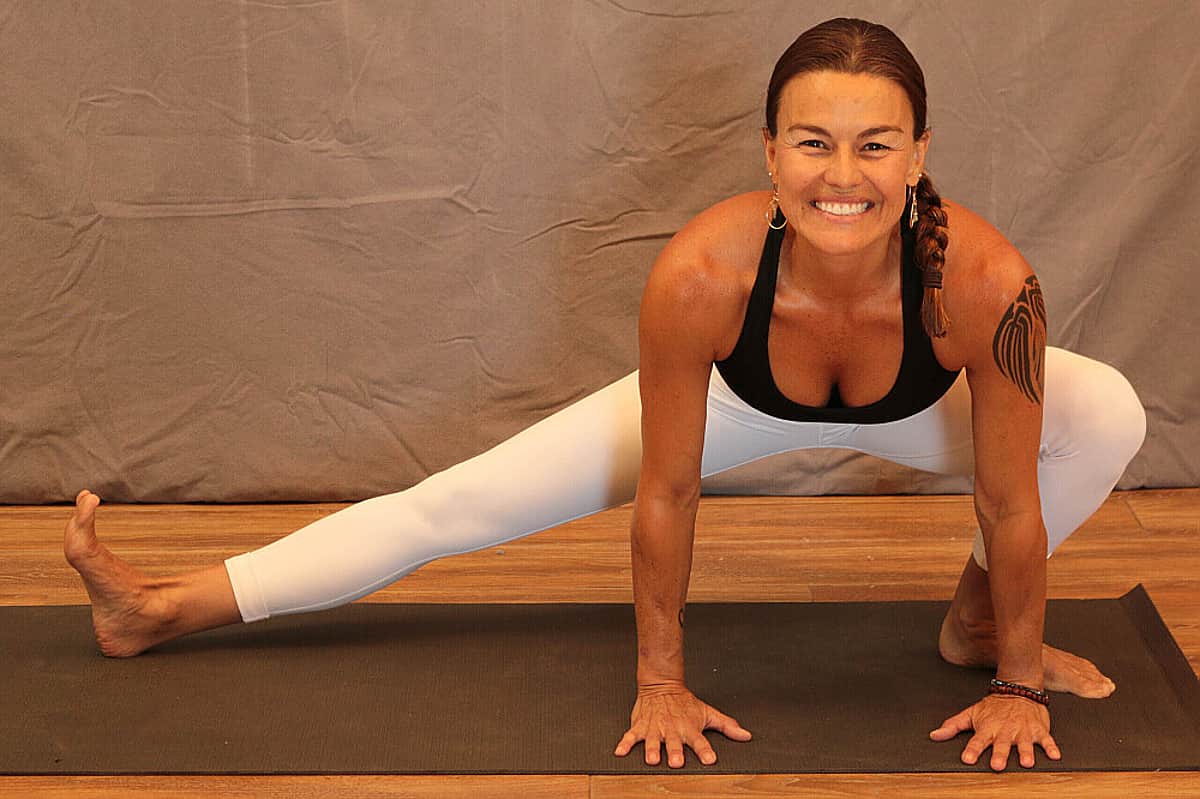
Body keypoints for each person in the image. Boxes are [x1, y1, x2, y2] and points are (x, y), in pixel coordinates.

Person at [63, 17, 1145, 773]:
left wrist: (1017, 685)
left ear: (917, 155)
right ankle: (161, 607)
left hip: (923, 412)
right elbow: (668, 493)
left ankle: (977, 625)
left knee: (1107, 414)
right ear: (770, 154)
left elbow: (1010, 501)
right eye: (813, 143)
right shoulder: (701, 275)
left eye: (875, 145)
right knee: (456, 503)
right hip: (735, 400)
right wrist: (660, 679)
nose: (842, 175)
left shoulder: (986, 284)